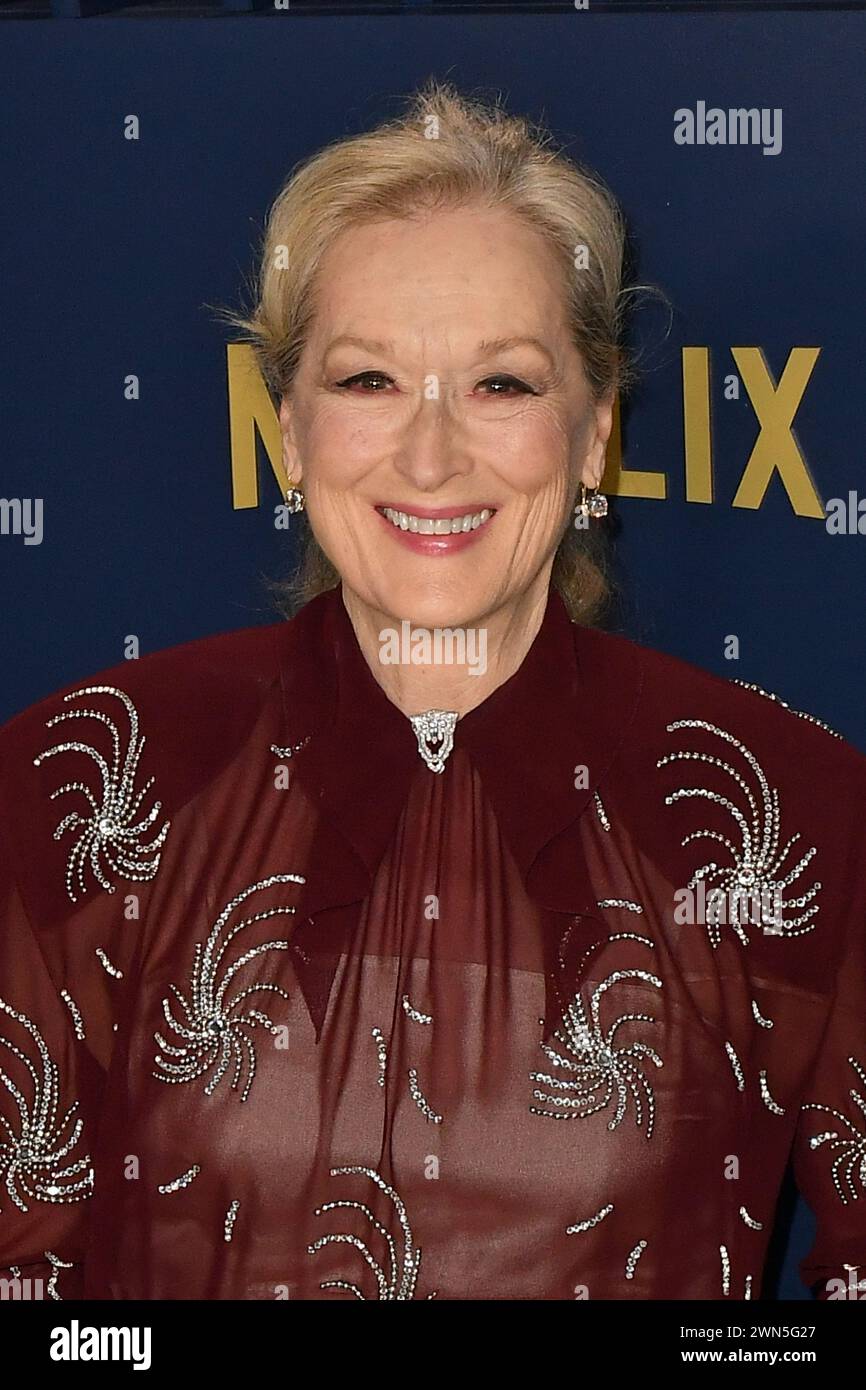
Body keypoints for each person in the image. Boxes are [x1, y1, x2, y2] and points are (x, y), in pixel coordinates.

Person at [1, 81, 864, 1302]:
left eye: (501, 384)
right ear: (290, 431)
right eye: (367, 382)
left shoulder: (799, 819)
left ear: (595, 428)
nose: (429, 454)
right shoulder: (79, 789)